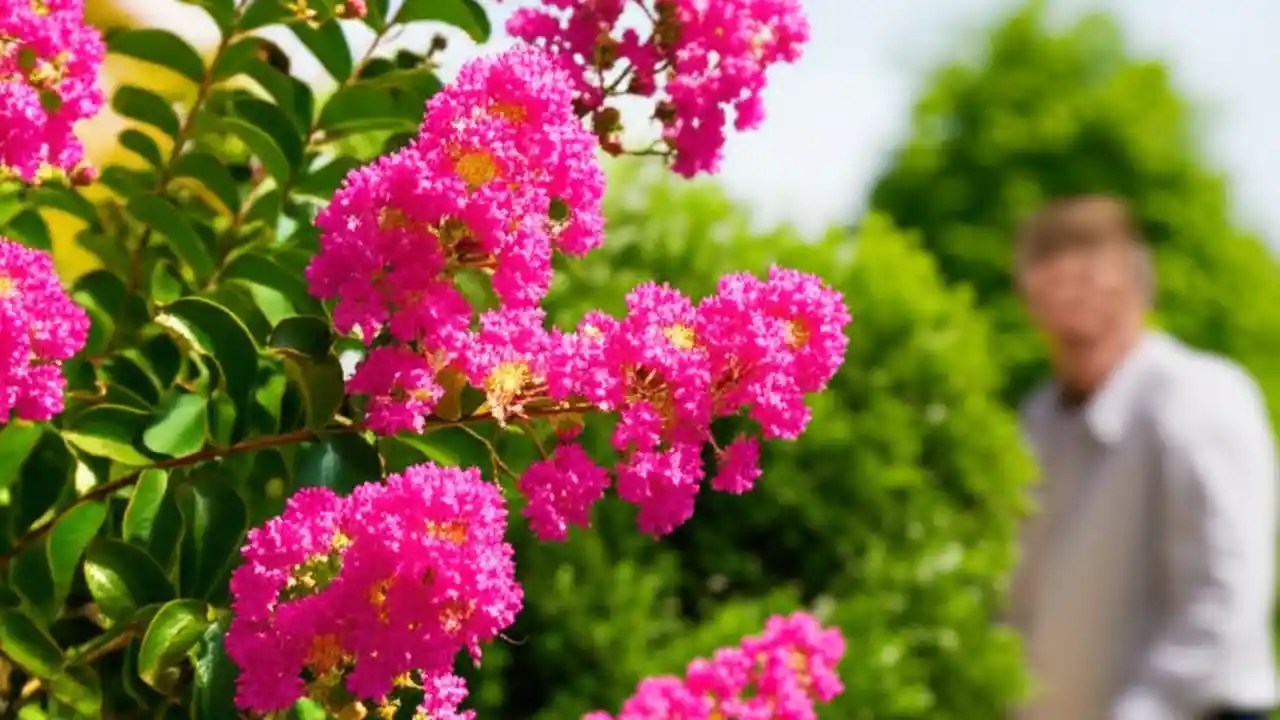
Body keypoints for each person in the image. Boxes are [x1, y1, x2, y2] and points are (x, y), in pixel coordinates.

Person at [1007, 195, 1279, 720]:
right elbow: (1020, 595)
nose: (1074, 305)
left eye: (1090, 280)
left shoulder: (1199, 395)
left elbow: (1224, 594)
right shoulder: (1039, 419)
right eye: (1050, 283)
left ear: (1134, 284)